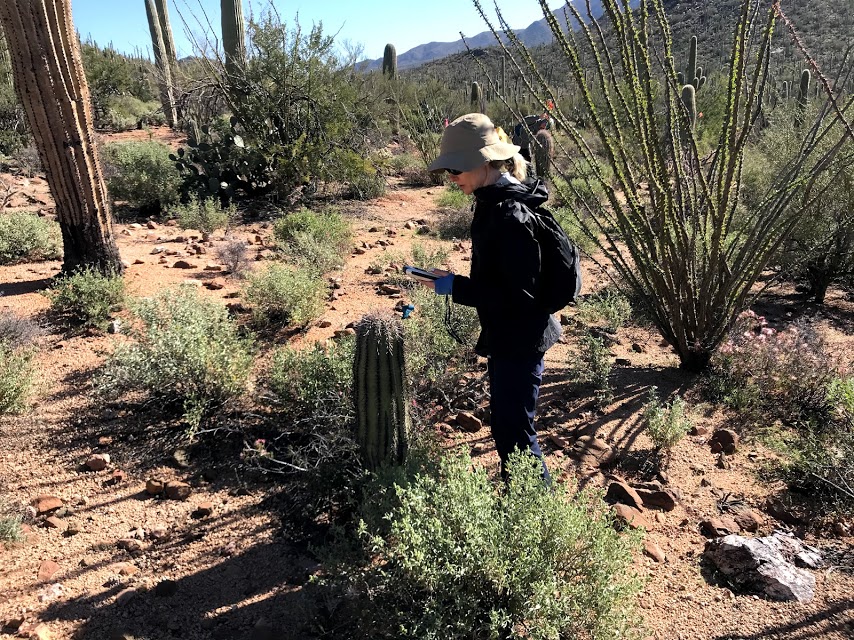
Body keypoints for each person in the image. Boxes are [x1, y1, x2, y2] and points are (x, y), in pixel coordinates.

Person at [424, 113, 561, 481]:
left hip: (521, 337)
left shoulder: (508, 213)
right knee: (506, 427)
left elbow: (518, 295)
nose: (451, 177)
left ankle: (534, 517)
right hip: (509, 336)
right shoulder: (492, 201)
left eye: (455, 168)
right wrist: (454, 283)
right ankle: (523, 509)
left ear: (483, 162)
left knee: (516, 435)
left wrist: (455, 286)